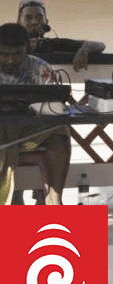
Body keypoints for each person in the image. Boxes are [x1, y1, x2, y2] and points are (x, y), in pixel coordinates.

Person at [0, 22, 70, 205]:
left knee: (60, 132)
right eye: (4, 54)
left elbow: (51, 103)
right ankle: (13, 200)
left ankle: (54, 199)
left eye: (17, 54)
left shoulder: (40, 68)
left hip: (29, 137)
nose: (10, 60)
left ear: (27, 48)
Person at [18, 0, 106, 71]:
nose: (34, 22)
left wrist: (84, 50)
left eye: (39, 18)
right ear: (18, 22)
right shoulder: (11, 44)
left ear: (46, 22)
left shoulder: (53, 44)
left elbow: (100, 45)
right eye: (28, 18)